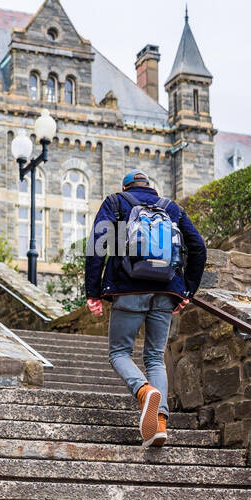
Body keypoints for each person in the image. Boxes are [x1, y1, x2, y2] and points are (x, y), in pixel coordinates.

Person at [85, 170, 207, 448]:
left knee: (119, 353)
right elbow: (198, 247)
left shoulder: (116, 203)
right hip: (166, 290)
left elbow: (99, 245)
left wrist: (93, 292)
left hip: (128, 288)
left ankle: (143, 391)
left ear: (125, 186)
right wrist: (187, 290)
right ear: (150, 187)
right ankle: (159, 424)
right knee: (154, 358)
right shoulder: (171, 208)